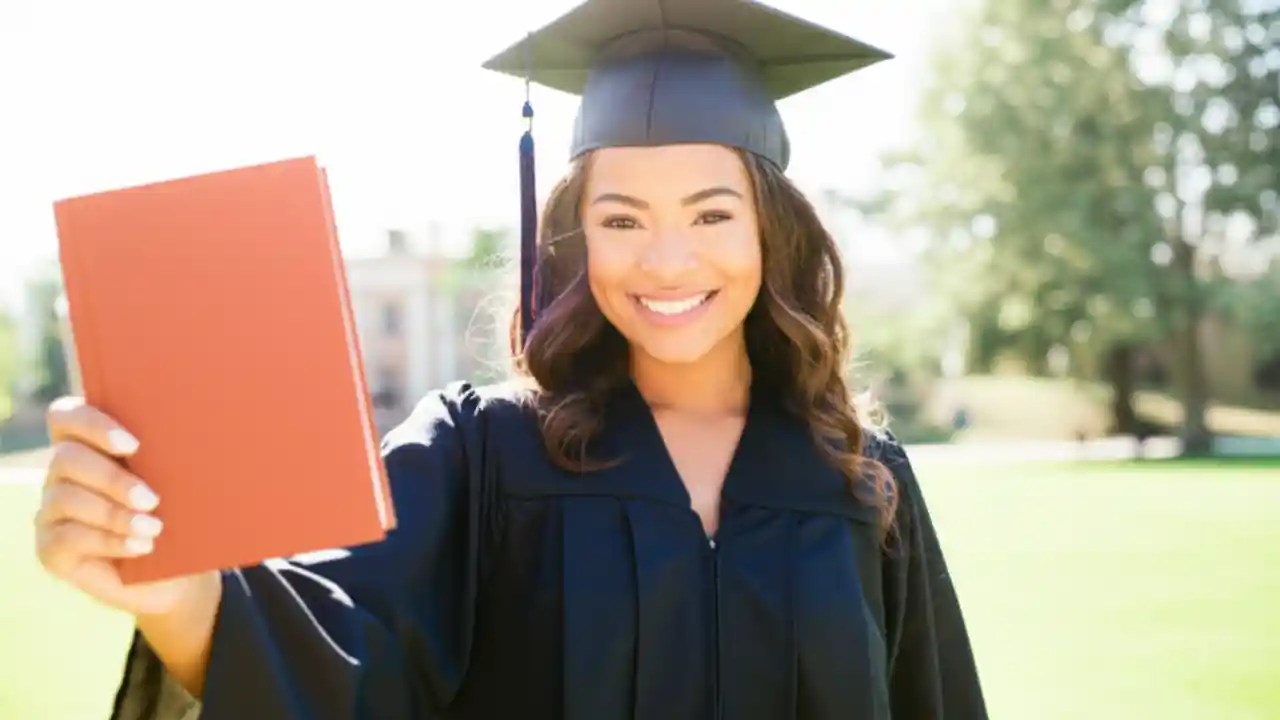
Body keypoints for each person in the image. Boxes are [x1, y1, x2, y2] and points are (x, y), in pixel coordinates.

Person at [33, 0, 988, 717]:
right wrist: (176, 594)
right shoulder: (484, 451)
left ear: (772, 232)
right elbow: (341, 658)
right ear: (574, 237)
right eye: (622, 219)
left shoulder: (860, 475)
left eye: (711, 214)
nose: (666, 260)